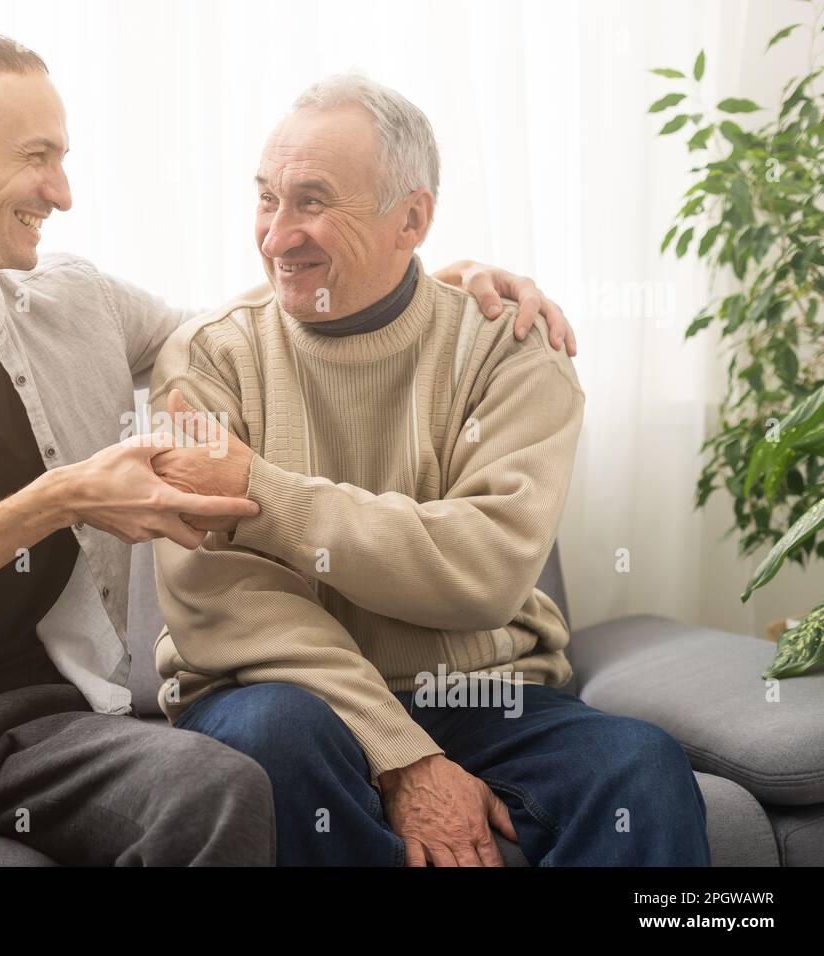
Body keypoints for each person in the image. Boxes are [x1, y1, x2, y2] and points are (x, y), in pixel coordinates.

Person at [0, 30, 577, 866]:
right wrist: (60, 497)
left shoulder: (76, 303)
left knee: (217, 790)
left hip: (42, 724)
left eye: (64, 159)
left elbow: (268, 324)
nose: (62, 191)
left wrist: (427, 280)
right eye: (37, 156)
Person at [147, 73, 708, 867]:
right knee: (280, 734)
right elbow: (221, 599)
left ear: (411, 218)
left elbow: (482, 572)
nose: (275, 236)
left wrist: (258, 491)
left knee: (640, 768)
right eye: (266, 198)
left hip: (479, 698)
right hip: (282, 700)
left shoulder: (513, 350)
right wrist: (398, 751)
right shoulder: (208, 359)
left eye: (311, 202)